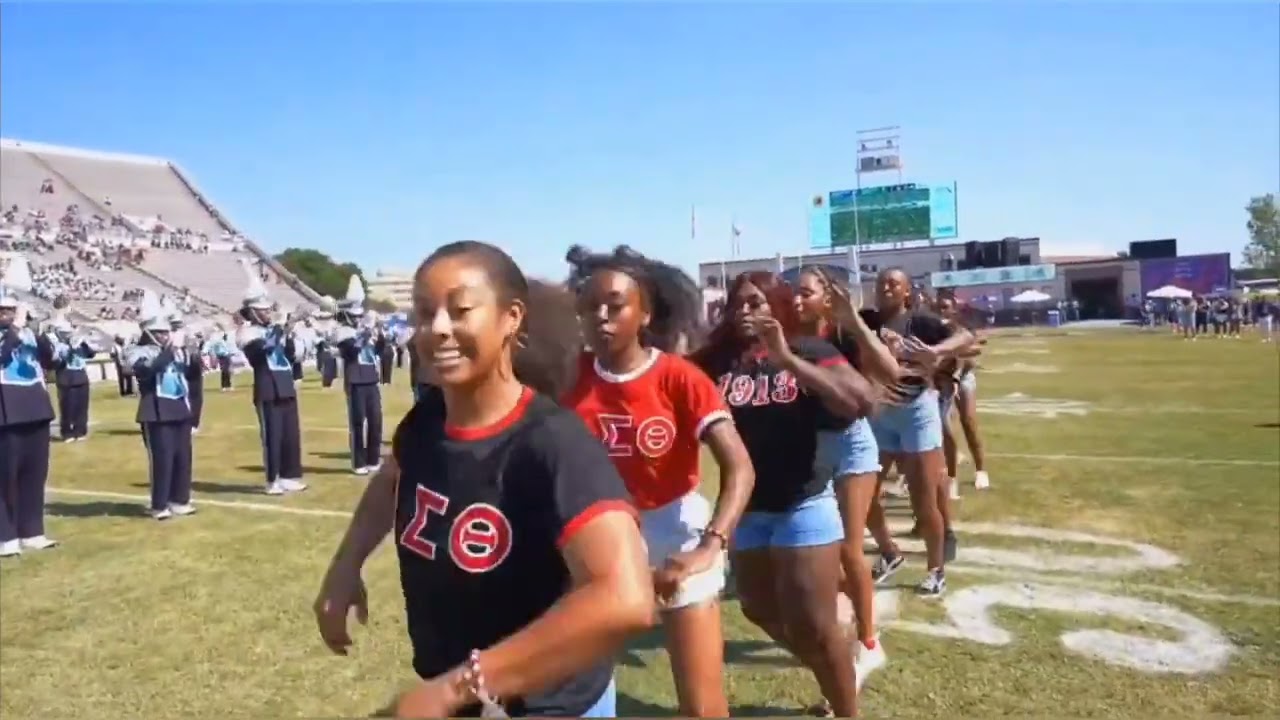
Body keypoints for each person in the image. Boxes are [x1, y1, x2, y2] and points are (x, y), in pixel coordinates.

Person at [314, 241, 653, 718]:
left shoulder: (552, 443)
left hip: (547, 704)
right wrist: (345, 567)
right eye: (425, 312)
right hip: (465, 696)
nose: (437, 330)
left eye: (460, 310)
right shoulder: (426, 422)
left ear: (511, 317)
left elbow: (626, 598)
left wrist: (454, 689)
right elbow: (392, 479)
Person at [564, 250, 754, 717]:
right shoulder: (567, 377)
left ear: (645, 314)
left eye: (615, 305)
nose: (600, 317)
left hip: (673, 530)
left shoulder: (678, 377)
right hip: (597, 536)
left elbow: (741, 468)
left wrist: (710, 547)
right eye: (589, 307)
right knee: (578, 696)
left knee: (702, 705)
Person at [690, 271, 876, 718]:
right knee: (757, 608)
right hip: (749, 508)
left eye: (756, 302)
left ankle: (846, 707)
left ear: (776, 305)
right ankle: (834, 666)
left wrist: (786, 358)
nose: (746, 311)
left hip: (803, 502)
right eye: (738, 303)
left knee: (813, 623)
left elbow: (860, 402)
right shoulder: (718, 361)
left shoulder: (810, 350)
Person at [792, 266, 898, 690]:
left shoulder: (844, 335)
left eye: (806, 293)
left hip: (853, 444)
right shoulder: (787, 338)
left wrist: (852, 319)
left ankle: (868, 644)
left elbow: (890, 372)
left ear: (825, 297)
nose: (798, 301)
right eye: (793, 294)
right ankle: (842, 622)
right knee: (820, 553)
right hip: (811, 448)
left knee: (850, 549)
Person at [861, 269, 973, 598]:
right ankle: (890, 552)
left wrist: (937, 352)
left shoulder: (921, 321)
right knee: (863, 493)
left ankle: (936, 569)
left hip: (916, 412)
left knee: (923, 501)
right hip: (880, 413)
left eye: (894, 283)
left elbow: (966, 336)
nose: (885, 287)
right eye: (881, 282)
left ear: (907, 291)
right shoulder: (865, 319)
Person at [236, 266, 306, 496]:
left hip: (285, 385)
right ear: (252, 312)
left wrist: (290, 332)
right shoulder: (246, 332)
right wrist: (282, 326)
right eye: (262, 311)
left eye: (268, 310)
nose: (267, 314)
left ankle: (290, 475)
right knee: (272, 436)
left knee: (290, 434)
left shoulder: (272, 330)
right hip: (267, 388)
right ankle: (272, 478)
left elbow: (292, 355)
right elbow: (261, 351)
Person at [127, 291, 196, 520]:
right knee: (162, 459)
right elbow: (149, 370)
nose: (165, 336)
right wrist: (169, 350)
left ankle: (180, 499)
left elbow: (192, 372)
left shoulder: (175, 351)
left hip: (178, 407)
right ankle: (159, 503)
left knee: (182, 457)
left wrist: (191, 352)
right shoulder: (137, 351)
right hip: (155, 409)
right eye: (159, 333)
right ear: (148, 332)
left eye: (166, 333)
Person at [0, 289, 58, 557]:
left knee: (35, 474)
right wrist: (15, 329)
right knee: (5, 477)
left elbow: (50, 359)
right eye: (3, 310)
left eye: (11, 310)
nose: (7, 314)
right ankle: (5, 535)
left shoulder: (25, 333)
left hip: (35, 408)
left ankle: (32, 531)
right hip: (6, 414)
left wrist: (38, 330)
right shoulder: (10, 334)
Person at [331, 276, 385, 476]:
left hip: (371, 379)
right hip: (355, 380)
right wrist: (364, 333)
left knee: (376, 421)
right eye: (354, 316)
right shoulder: (342, 332)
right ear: (346, 315)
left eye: (358, 315)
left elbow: (378, 351)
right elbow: (351, 352)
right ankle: (358, 462)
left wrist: (379, 333)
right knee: (357, 423)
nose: (357, 319)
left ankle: (373, 459)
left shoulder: (364, 330)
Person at [935, 294, 990, 492]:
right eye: (938, 307)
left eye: (945, 307)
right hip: (943, 380)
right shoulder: (934, 330)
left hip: (963, 378)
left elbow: (967, 357)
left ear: (953, 309)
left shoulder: (959, 330)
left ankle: (981, 471)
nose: (941, 311)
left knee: (968, 421)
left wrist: (956, 378)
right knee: (944, 427)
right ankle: (951, 476)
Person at [48, 317, 94, 442]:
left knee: (82, 407)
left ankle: (80, 430)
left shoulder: (79, 342)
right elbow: (57, 360)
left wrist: (83, 342)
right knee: (67, 407)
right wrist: (70, 348)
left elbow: (91, 353)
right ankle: (67, 432)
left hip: (81, 376)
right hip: (65, 377)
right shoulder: (57, 345)